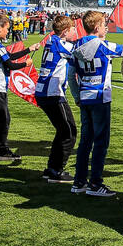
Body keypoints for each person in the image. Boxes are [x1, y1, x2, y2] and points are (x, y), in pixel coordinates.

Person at [0, 13, 44, 170]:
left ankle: (2, 149)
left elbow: (8, 56)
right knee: (0, 122)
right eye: (6, 29)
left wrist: (28, 49)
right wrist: (26, 62)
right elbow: (10, 64)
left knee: (4, 119)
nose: (8, 32)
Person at [69, 10, 123, 197]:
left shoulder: (75, 46)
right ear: (96, 27)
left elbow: (71, 76)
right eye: (104, 25)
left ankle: (79, 182)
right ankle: (95, 183)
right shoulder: (103, 46)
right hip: (100, 97)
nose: (106, 28)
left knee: (85, 141)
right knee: (101, 142)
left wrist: (77, 96)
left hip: (85, 96)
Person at [36, 14, 78, 184]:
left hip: (45, 92)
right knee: (69, 131)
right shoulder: (61, 44)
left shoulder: (52, 41)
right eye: (73, 29)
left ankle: (51, 168)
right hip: (52, 93)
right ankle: (56, 170)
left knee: (62, 130)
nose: (76, 31)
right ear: (65, 31)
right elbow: (81, 52)